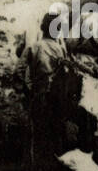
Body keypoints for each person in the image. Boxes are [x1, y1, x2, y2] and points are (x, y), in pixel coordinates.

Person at [23, 9, 70, 161]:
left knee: (39, 134)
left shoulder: (33, 47)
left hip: (39, 95)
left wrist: (29, 90)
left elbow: (19, 71)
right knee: (56, 134)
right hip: (56, 98)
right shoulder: (60, 49)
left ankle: (39, 168)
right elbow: (65, 74)